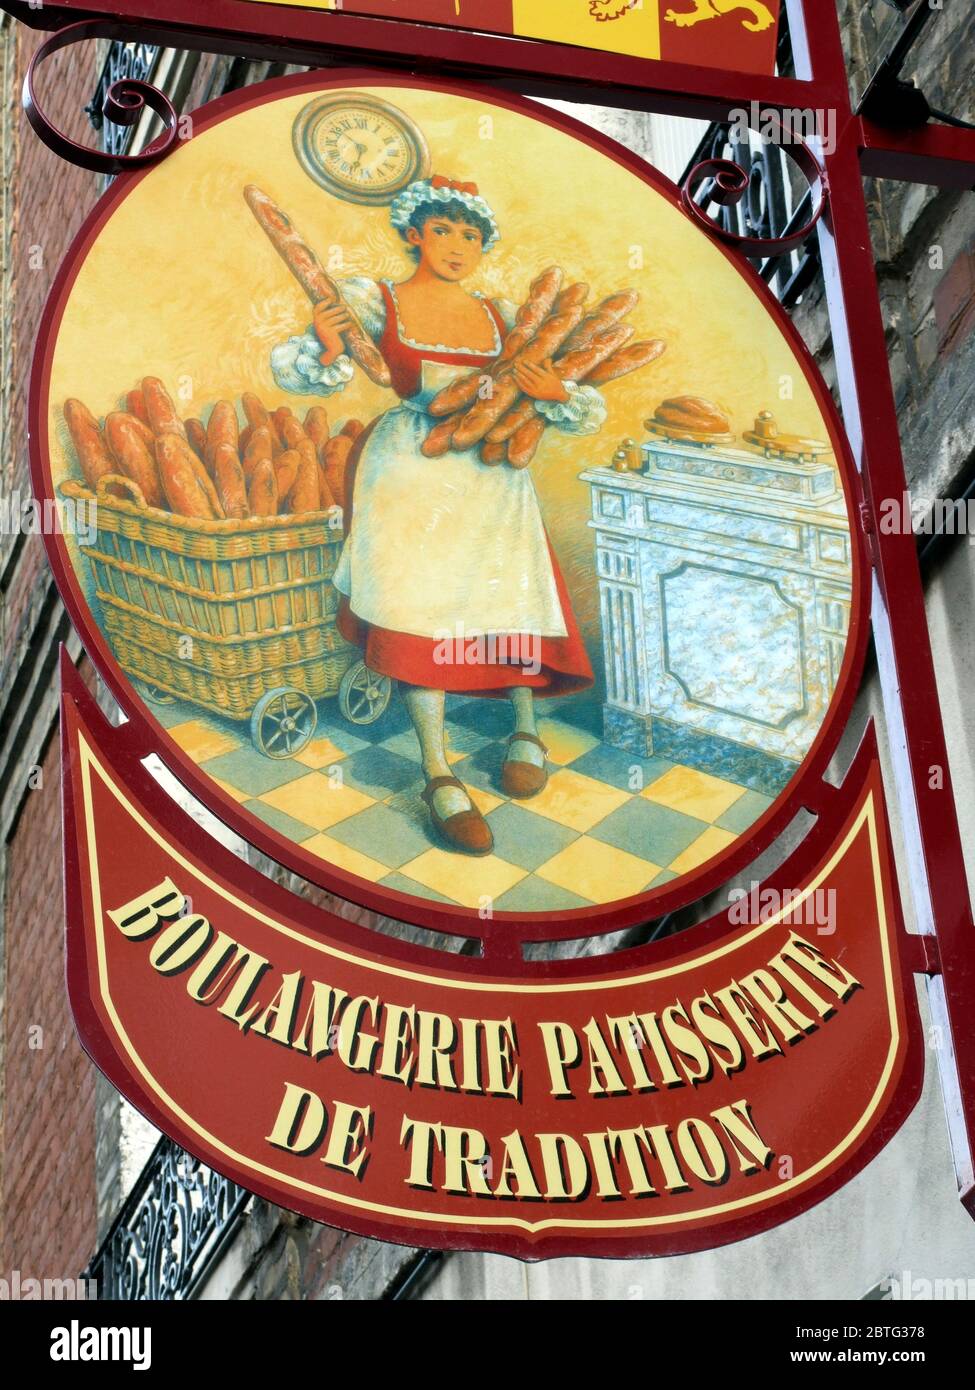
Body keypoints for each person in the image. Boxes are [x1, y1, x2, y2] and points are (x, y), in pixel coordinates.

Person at [272, 175, 605, 856]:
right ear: (413, 234)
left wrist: (551, 392)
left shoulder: (505, 315)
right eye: (444, 231)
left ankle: (524, 730)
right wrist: (330, 347)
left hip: (491, 469)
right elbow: (313, 372)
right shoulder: (374, 298)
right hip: (408, 470)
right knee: (418, 608)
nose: (458, 246)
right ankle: (438, 771)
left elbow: (573, 402)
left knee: (503, 596)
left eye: (471, 236)